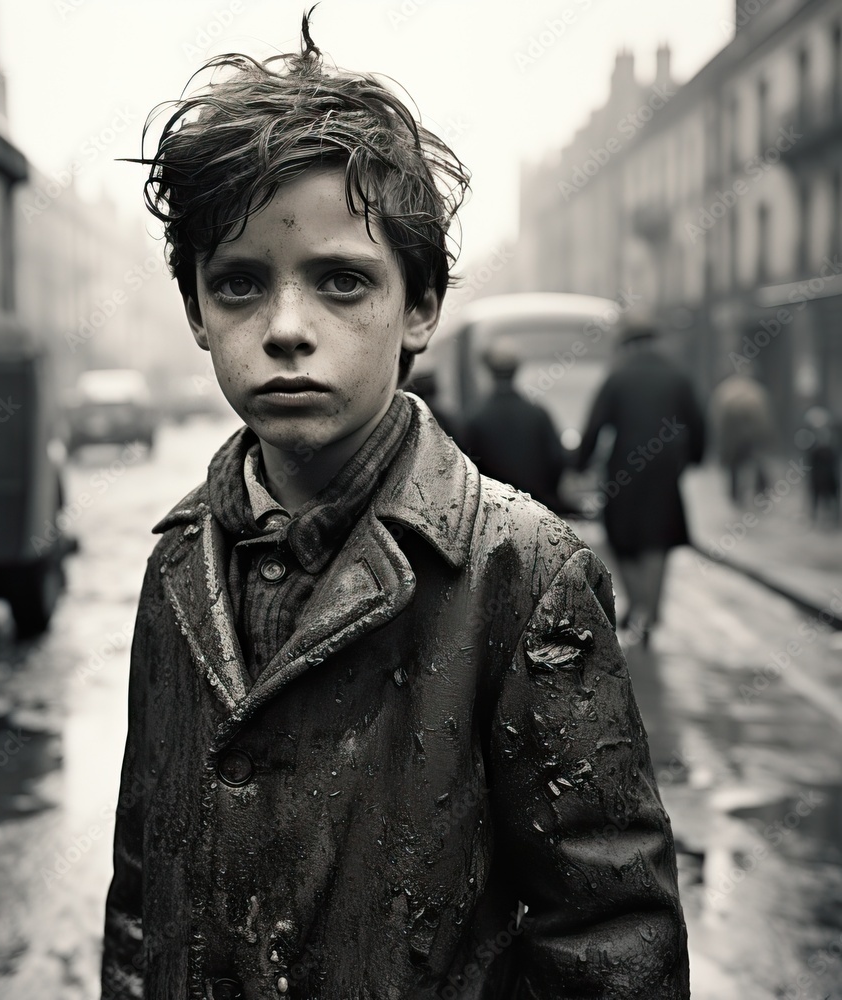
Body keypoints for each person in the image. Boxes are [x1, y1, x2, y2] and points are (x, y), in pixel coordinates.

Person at [102, 17, 689, 999]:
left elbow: (608, 941)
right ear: (196, 311)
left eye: (342, 281)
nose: (287, 329)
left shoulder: (520, 574)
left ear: (419, 308)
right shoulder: (175, 566)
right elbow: (140, 891)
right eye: (239, 284)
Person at [577, 317, 705, 644]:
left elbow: (595, 426)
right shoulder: (677, 377)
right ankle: (650, 610)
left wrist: (579, 463)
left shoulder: (617, 379)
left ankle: (639, 602)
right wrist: (693, 458)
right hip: (665, 471)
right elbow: (698, 423)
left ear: (627, 345)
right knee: (657, 540)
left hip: (624, 470)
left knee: (622, 539)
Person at [463, 341, 567, 513]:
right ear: (517, 370)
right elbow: (557, 460)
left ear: (489, 371)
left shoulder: (475, 419)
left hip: (495, 512)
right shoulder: (538, 414)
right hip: (537, 509)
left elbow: (468, 471)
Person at [709, 361, 775, 506]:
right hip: (752, 432)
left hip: (731, 433)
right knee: (758, 460)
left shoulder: (725, 389)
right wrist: (765, 436)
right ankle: (762, 492)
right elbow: (764, 416)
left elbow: (717, 415)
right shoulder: (756, 390)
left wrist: (720, 439)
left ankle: (735, 495)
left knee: (733, 464)